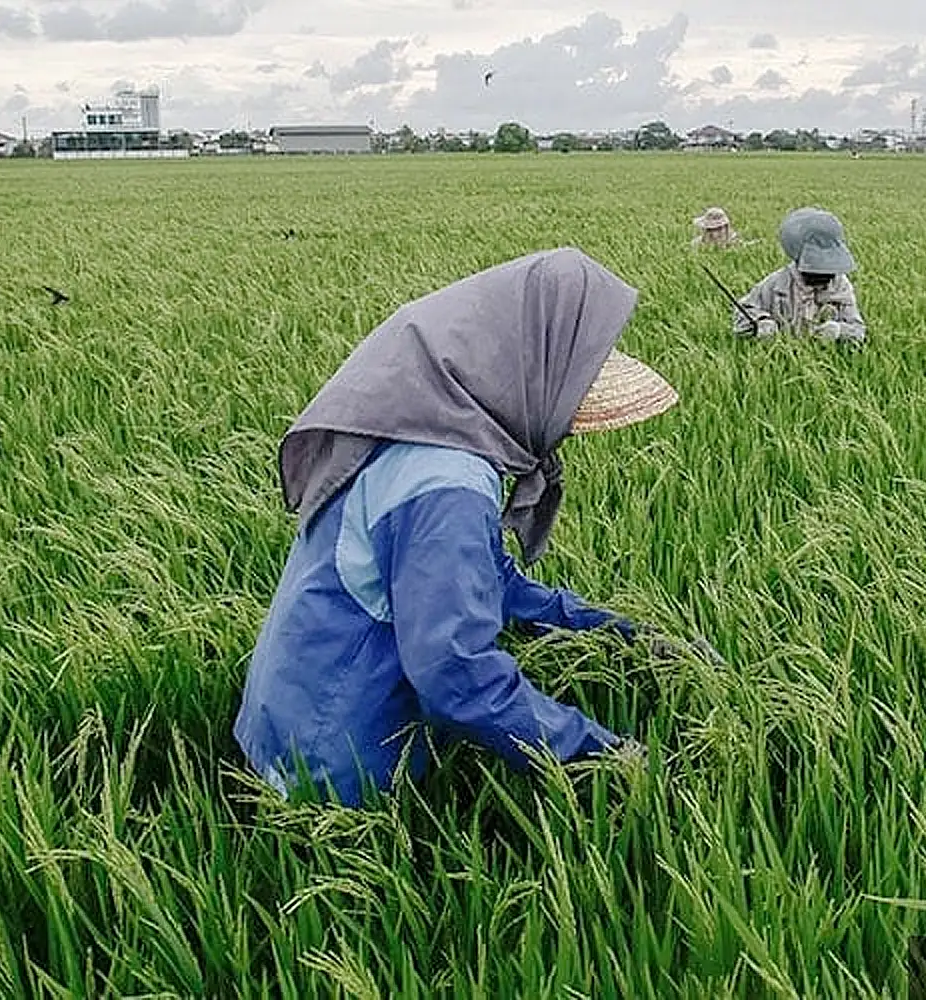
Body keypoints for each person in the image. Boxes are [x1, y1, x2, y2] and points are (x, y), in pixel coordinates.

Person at [234, 248, 680, 808]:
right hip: (336, 763)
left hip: (290, 711)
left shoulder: (417, 427)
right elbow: (455, 676)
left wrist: (618, 633)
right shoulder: (447, 484)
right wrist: (604, 756)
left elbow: (495, 584)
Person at [733, 207, 866, 344]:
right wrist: (761, 323)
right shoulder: (777, 284)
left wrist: (839, 331)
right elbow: (742, 313)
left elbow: (858, 330)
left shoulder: (841, 286)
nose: (823, 276)